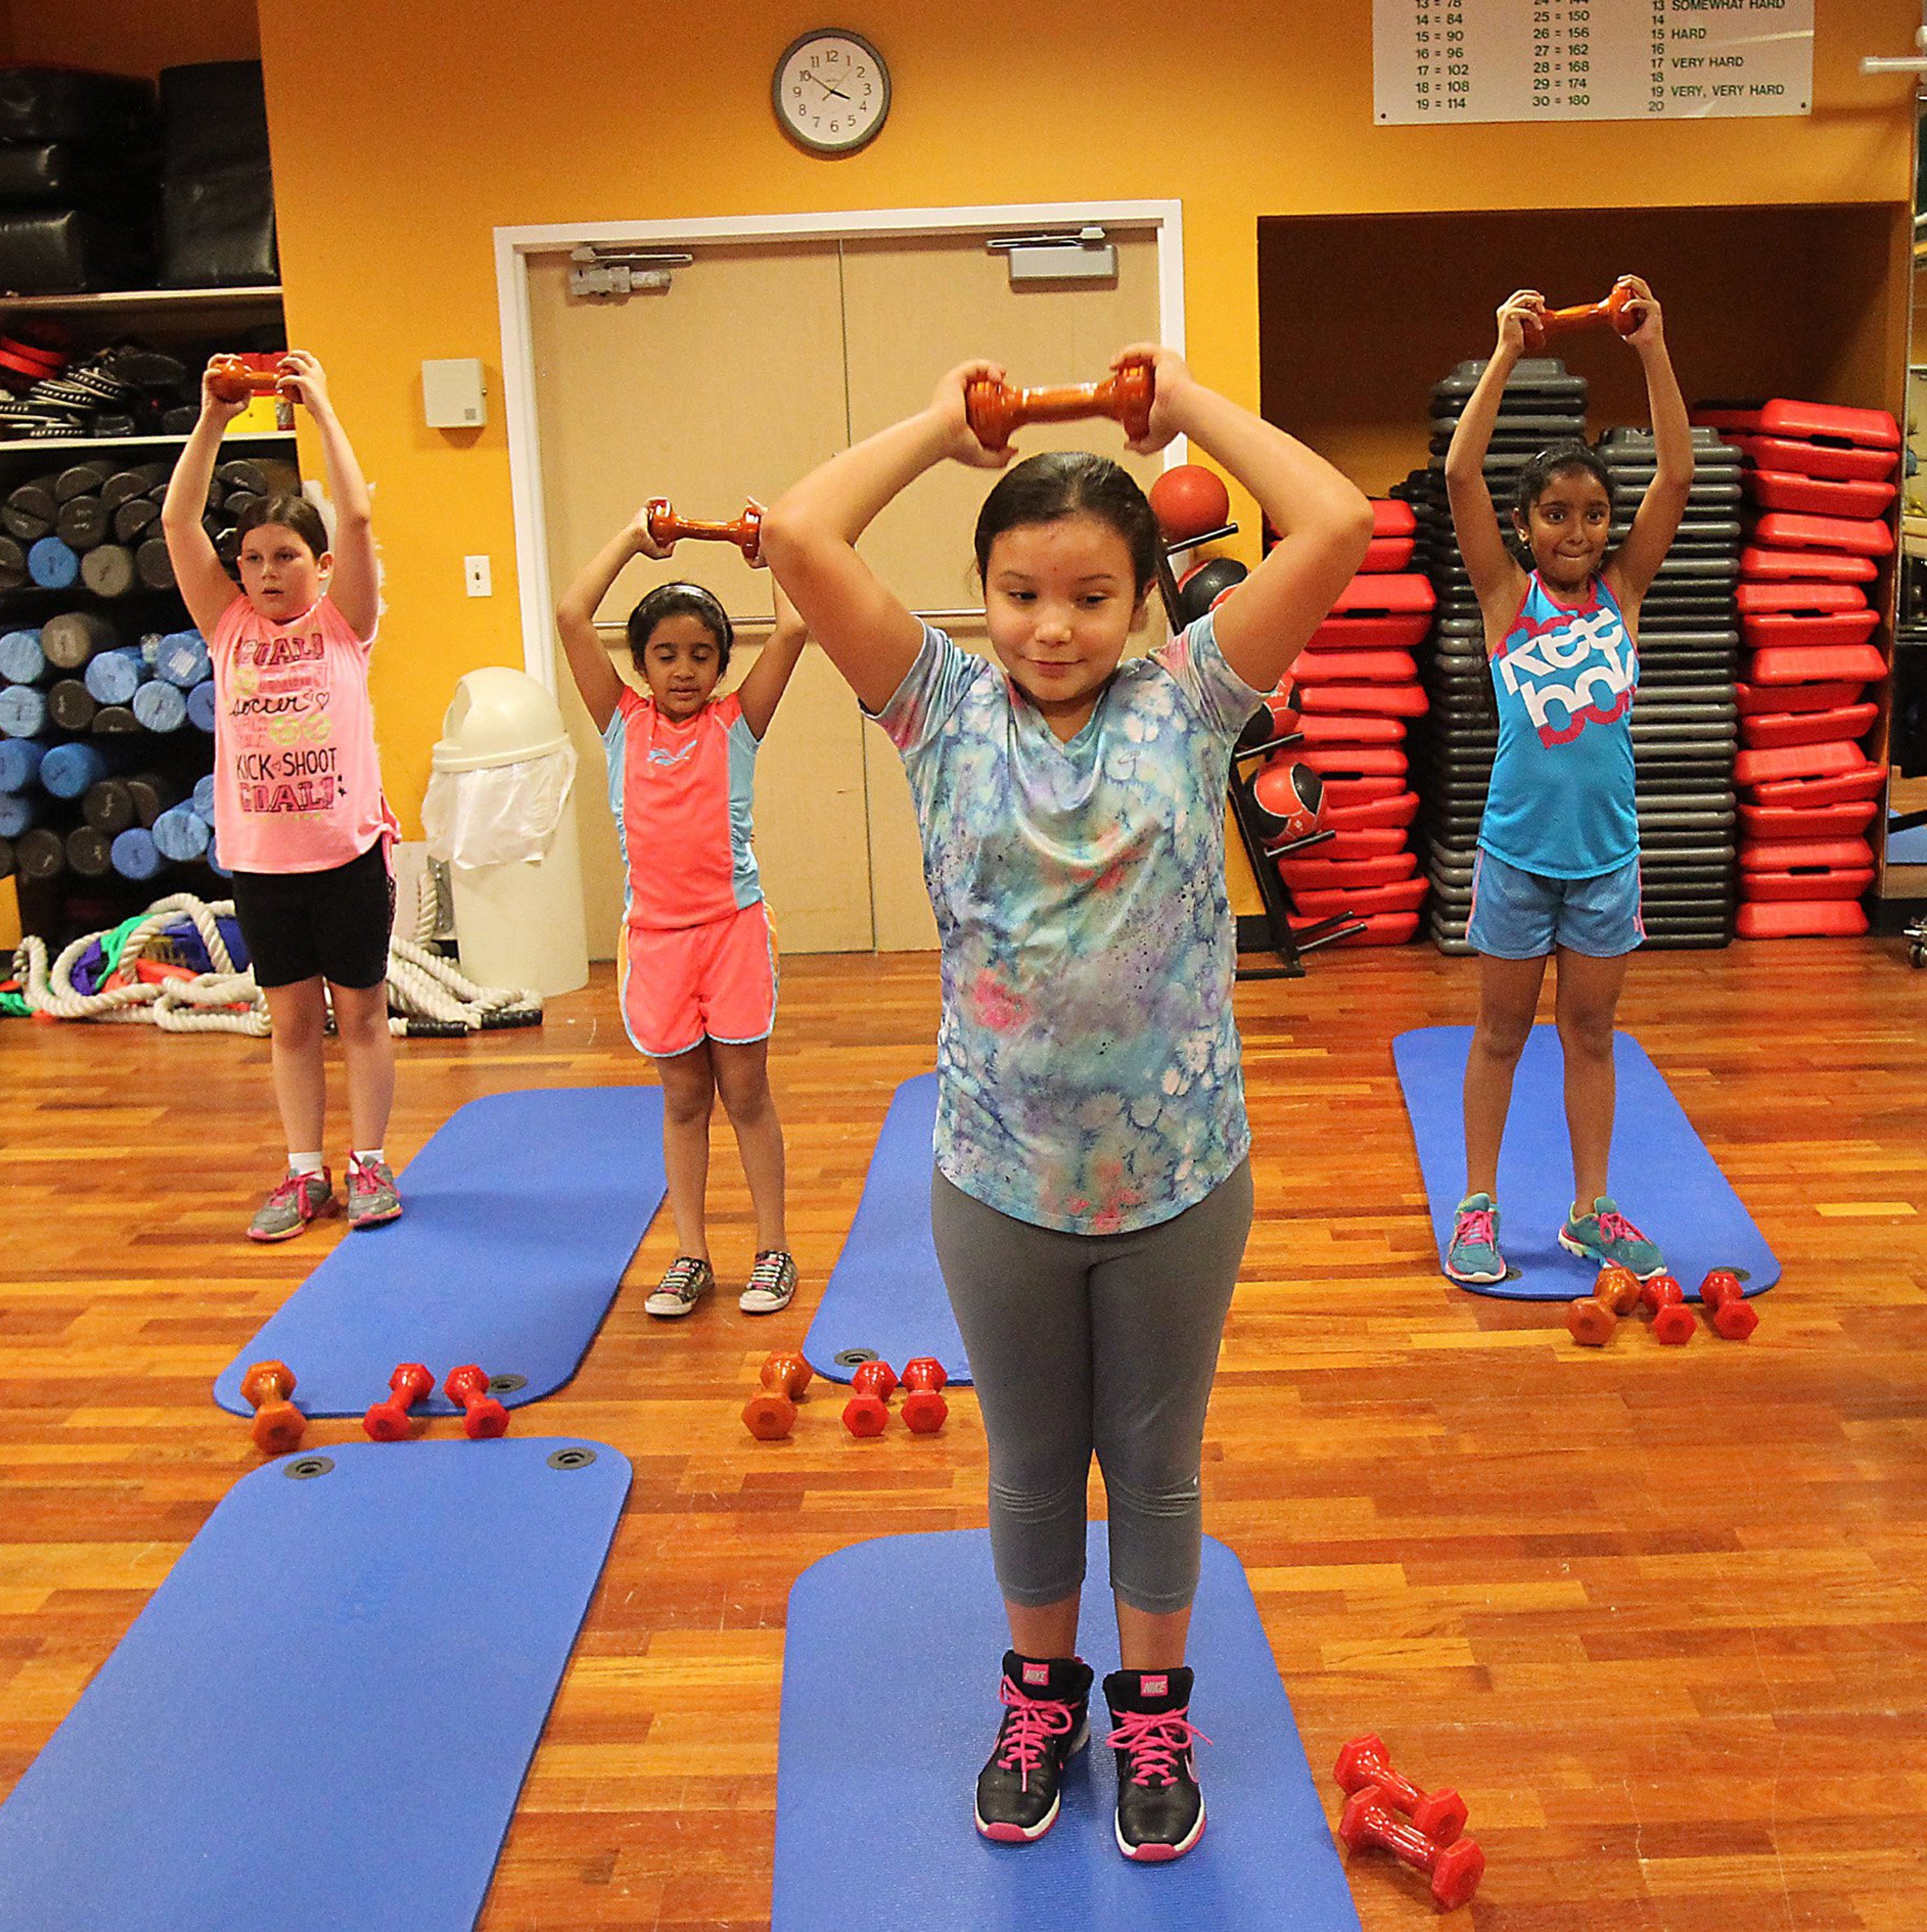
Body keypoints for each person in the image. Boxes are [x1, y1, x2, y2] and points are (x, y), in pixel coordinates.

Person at [761, 347, 1372, 1860]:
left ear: (1144, 601)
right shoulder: (934, 706)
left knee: (1156, 1464)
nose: (1053, 625)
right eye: (1023, 591)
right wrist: (942, 425)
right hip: (996, 1176)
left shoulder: (1198, 692)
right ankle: (1040, 1694)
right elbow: (795, 532)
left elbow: (1338, 521)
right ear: (981, 593)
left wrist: (1180, 413)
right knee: (1033, 1461)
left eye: (1093, 594)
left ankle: (1151, 1700)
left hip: (1179, 1177)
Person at [1441, 278, 1692, 1286]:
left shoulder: (1625, 593)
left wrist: (1653, 347)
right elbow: (1459, 469)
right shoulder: (1508, 598)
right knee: (1501, 1032)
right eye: (1555, 513)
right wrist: (1504, 349)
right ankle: (1478, 1206)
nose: (1578, 530)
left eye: (1593, 513)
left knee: (1591, 1032)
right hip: (1515, 857)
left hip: (1606, 863)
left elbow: (1677, 471)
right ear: (1527, 522)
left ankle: (1592, 1209)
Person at [163, 351, 403, 1241]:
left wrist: (323, 406)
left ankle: (368, 1159)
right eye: (254, 558)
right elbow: (177, 518)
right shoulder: (225, 627)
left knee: (364, 1012)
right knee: (292, 1019)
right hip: (262, 863)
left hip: (345, 853)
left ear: (322, 563)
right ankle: (306, 1171)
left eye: (287, 556)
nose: (267, 572)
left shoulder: (346, 625)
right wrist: (212, 418)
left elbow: (361, 510)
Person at [555, 507, 806, 1317]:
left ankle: (773, 1249)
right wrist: (631, 537)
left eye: (702, 654)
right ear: (642, 662)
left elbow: (797, 626)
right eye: (666, 654)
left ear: (723, 663)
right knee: (683, 1101)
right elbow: (569, 614)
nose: (685, 669)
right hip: (657, 943)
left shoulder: (737, 723)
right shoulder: (621, 723)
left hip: (732, 932)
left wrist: (763, 548)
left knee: (746, 1093)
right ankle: (691, 1253)